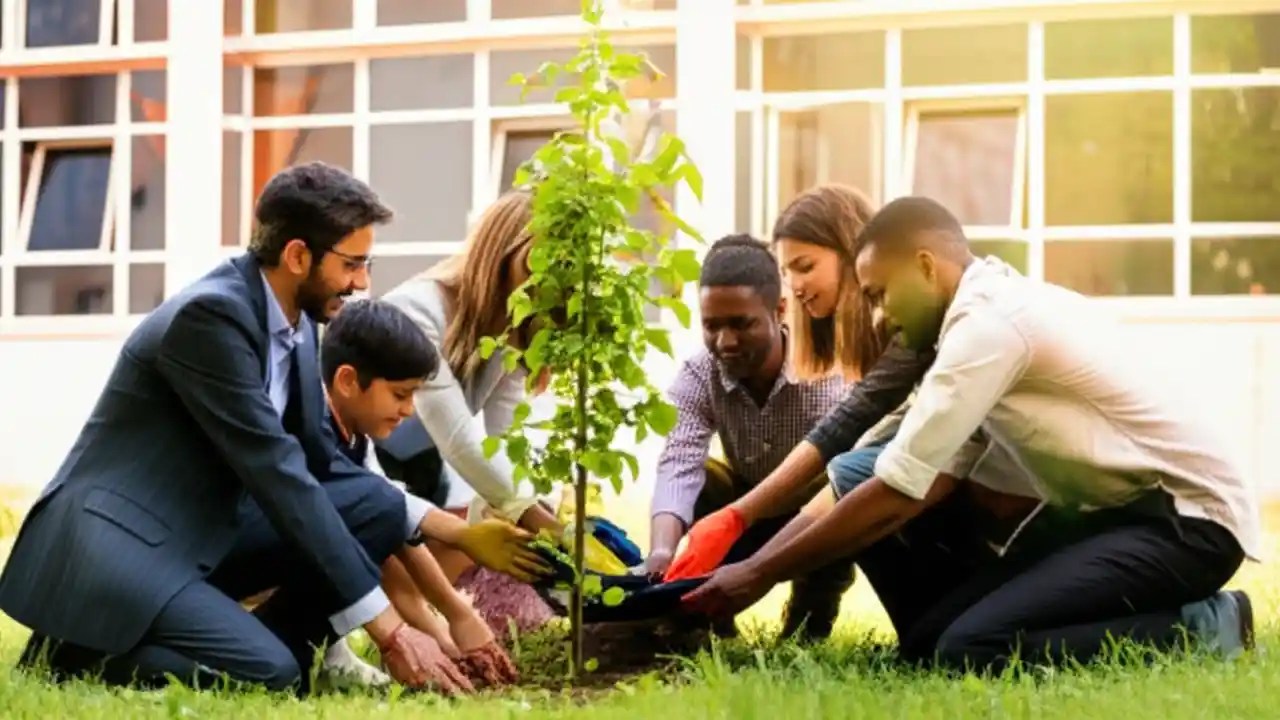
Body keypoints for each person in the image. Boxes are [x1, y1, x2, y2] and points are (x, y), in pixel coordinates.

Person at [0, 162, 519, 694]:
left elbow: (323, 464)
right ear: (297, 256)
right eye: (352, 264)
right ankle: (75, 652)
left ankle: (264, 650)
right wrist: (391, 632)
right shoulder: (210, 318)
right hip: (122, 546)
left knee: (376, 508)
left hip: (203, 531)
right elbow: (279, 473)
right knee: (271, 672)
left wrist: (458, 538)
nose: (362, 282)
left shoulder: (299, 325)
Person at [683, 196, 1258, 671]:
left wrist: (756, 573)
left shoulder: (988, 327)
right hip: (1116, 516)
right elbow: (924, 475)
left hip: (1186, 522)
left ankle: (1209, 624)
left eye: (880, 294)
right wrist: (750, 552)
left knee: (971, 648)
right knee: (928, 643)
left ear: (926, 266)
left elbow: (898, 492)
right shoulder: (977, 319)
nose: (877, 316)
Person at [664, 185, 939, 582]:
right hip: (903, 485)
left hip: (963, 487)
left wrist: (746, 540)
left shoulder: (909, 326)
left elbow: (847, 427)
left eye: (805, 266)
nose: (793, 285)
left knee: (854, 472)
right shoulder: (846, 343)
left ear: (854, 254)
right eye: (786, 272)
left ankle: (810, 601)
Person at [646, 234, 855, 641]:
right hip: (740, 510)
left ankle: (811, 614)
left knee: (841, 489)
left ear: (780, 311)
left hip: (812, 514)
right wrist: (661, 551)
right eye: (712, 326)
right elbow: (678, 462)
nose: (725, 341)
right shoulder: (698, 374)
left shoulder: (827, 375)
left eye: (742, 324)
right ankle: (707, 616)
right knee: (705, 477)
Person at [377, 189, 565, 637]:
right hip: (366, 460)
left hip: (422, 466)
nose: (543, 284)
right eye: (536, 264)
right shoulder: (418, 311)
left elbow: (509, 437)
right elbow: (458, 437)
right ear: (503, 252)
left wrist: (538, 507)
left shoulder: (508, 326)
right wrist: (533, 517)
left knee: (491, 517)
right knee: (414, 544)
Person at [317, 298, 527, 689]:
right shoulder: (313, 434)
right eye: (400, 395)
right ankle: (326, 648)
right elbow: (380, 513)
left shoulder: (357, 441)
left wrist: (450, 629)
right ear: (347, 382)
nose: (410, 410)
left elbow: (396, 528)